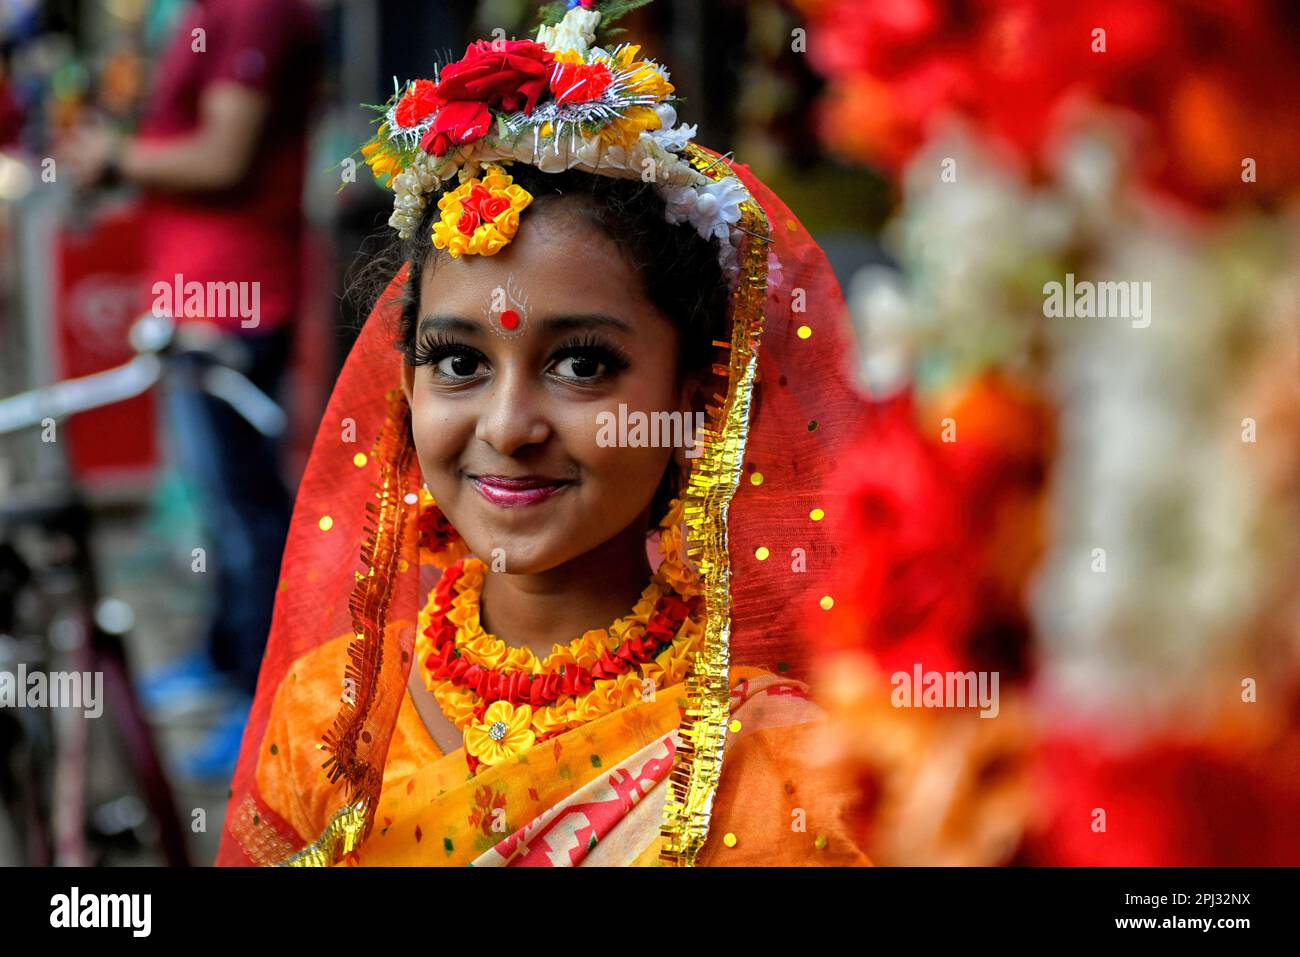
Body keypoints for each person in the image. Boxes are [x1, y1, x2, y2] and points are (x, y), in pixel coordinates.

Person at [217, 2, 869, 866]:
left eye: (584, 365)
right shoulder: (331, 713)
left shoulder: (783, 763)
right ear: (404, 381)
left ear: (695, 397)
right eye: (458, 362)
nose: (509, 426)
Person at [68, 0, 323, 777]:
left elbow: (223, 156)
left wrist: (112, 157)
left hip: (234, 299)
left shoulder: (254, 11)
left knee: (247, 509)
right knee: (223, 504)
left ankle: (266, 697)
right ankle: (222, 659)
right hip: (198, 295)